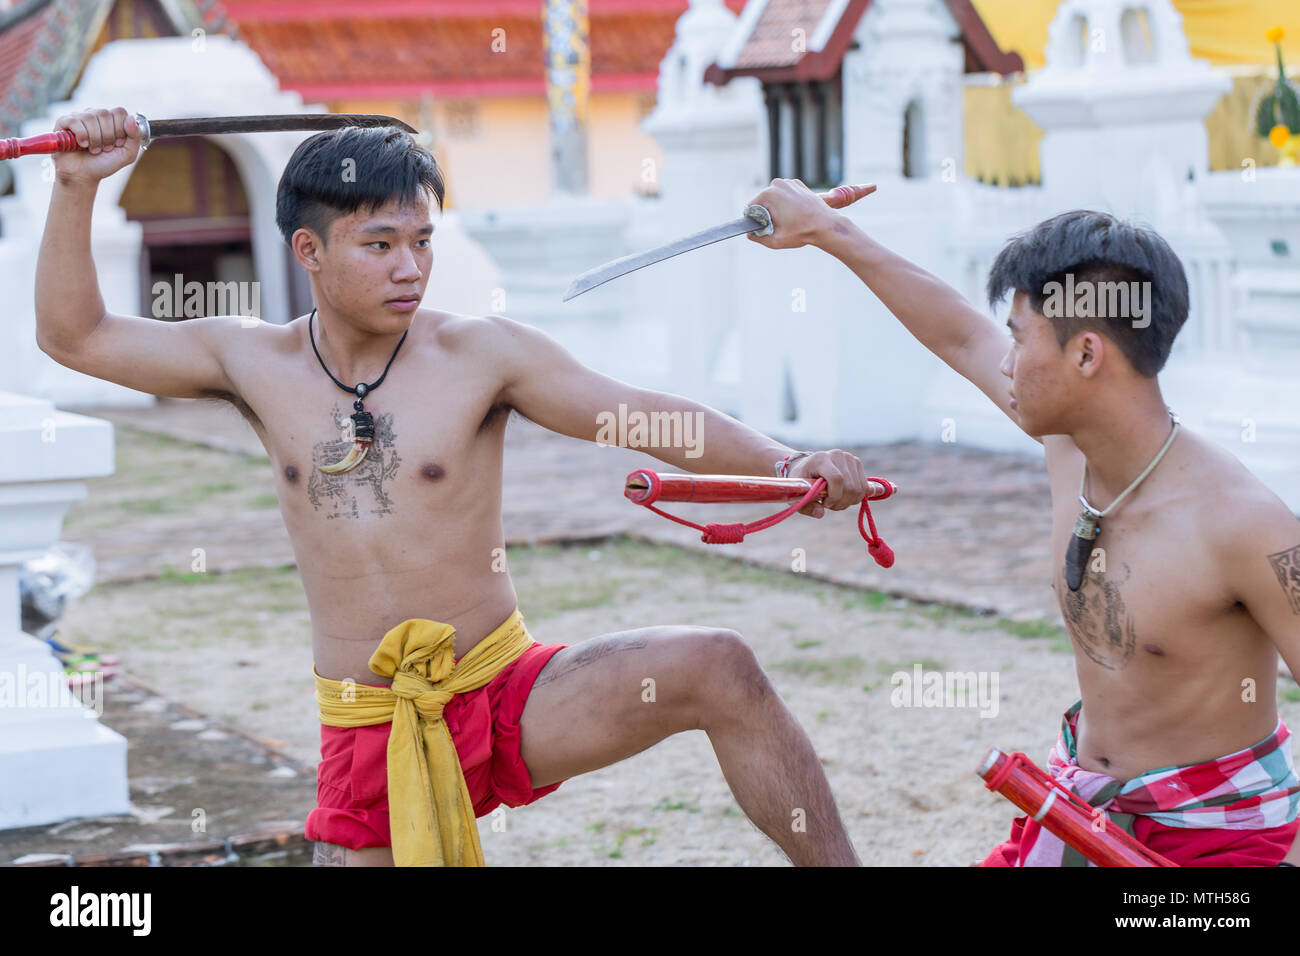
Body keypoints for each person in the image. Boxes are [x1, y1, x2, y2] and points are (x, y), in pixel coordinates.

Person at [34, 109, 874, 866]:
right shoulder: (249, 360)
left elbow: (643, 416)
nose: (411, 268)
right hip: (369, 725)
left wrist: (783, 463)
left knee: (717, 663)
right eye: (380, 245)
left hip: (509, 693)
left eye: (422, 241)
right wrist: (76, 186)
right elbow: (76, 336)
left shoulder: (484, 355)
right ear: (309, 250)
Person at [746, 178, 1300, 866]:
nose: (1002, 360)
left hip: (1214, 845)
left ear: (1087, 354)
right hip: (1082, 812)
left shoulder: (1245, 527)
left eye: (1018, 338)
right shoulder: (1073, 446)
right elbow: (955, 332)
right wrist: (829, 232)